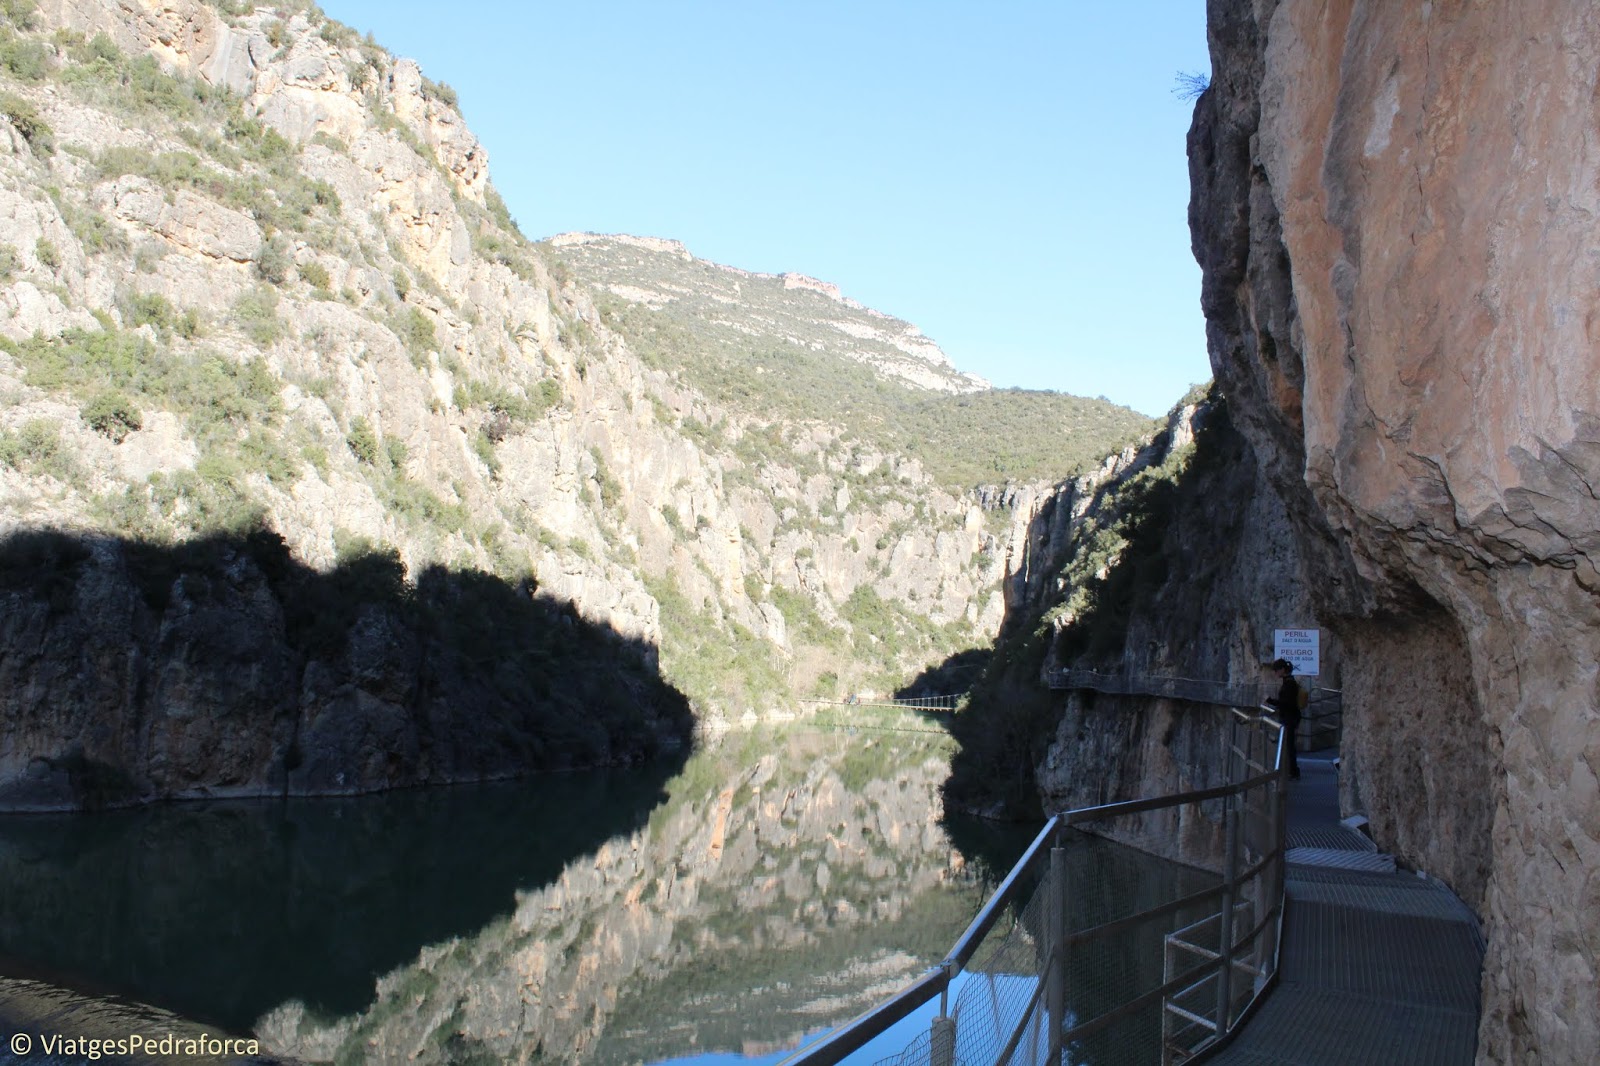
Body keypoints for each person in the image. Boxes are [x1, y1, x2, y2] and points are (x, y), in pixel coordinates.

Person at [1265, 658, 1302, 779]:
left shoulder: (1290, 683)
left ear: (1282, 670)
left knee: (1289, 745)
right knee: (1289, 744)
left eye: (1276, 670)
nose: (1275, 673)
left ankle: (1293, 771)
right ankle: (1292, 770)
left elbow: (1286, 703)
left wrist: (1271, 701)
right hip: (1289, 716)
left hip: (1289, 717)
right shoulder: (1289, 682)